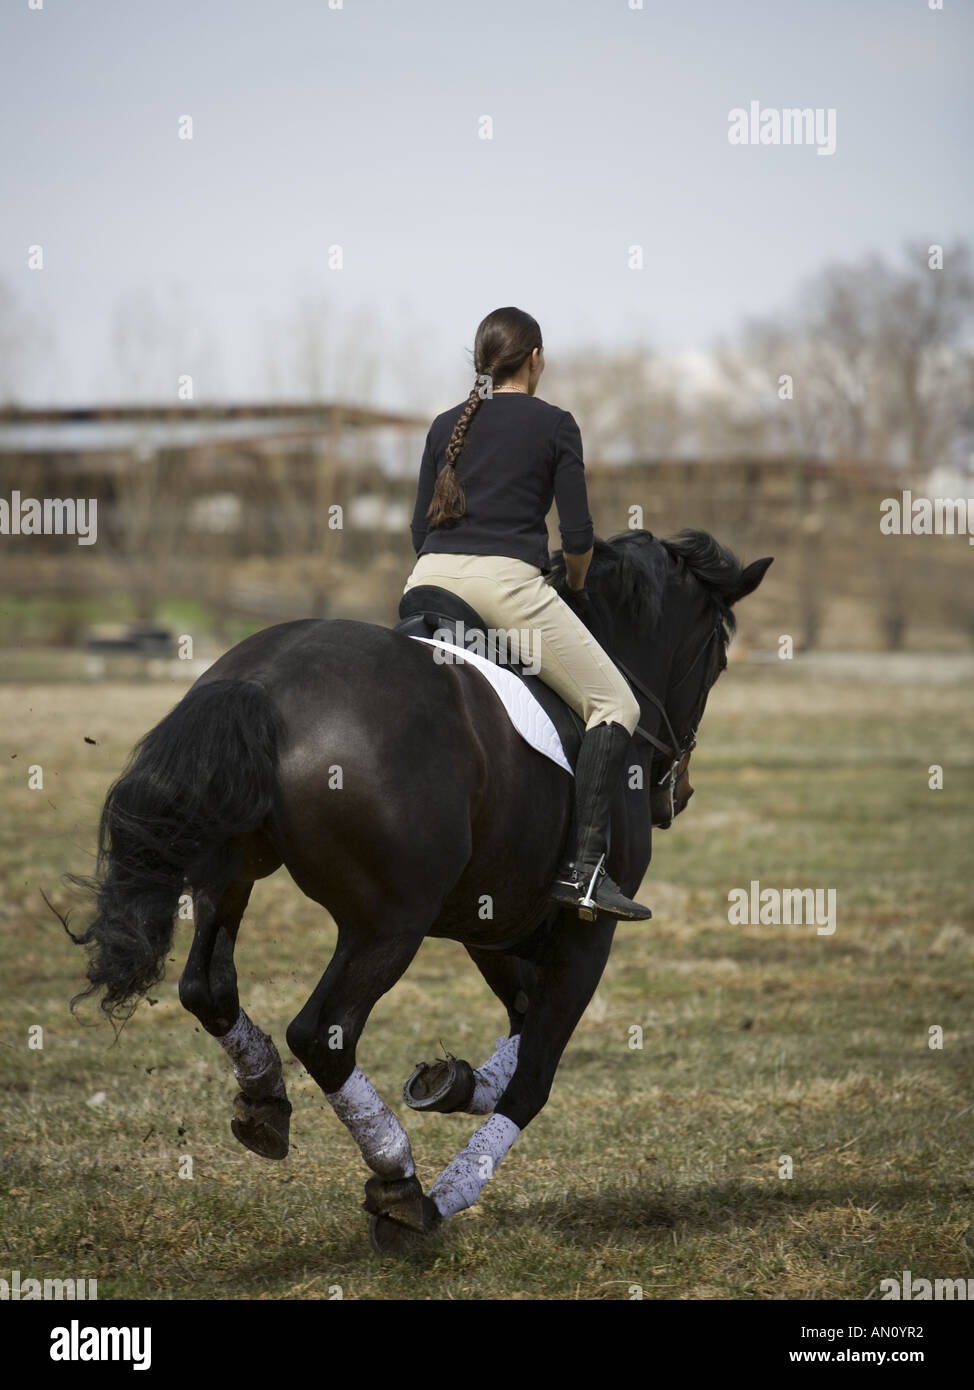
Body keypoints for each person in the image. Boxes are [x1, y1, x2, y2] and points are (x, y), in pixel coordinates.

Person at [403, 306, 650, 922]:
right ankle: (586, 872)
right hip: (506, 588)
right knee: (616, 705)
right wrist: (574, 583)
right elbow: (579, 536)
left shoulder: (443, 425)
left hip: (425, 584)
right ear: (535, 359)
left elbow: (416, 530)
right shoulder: (556, 424)